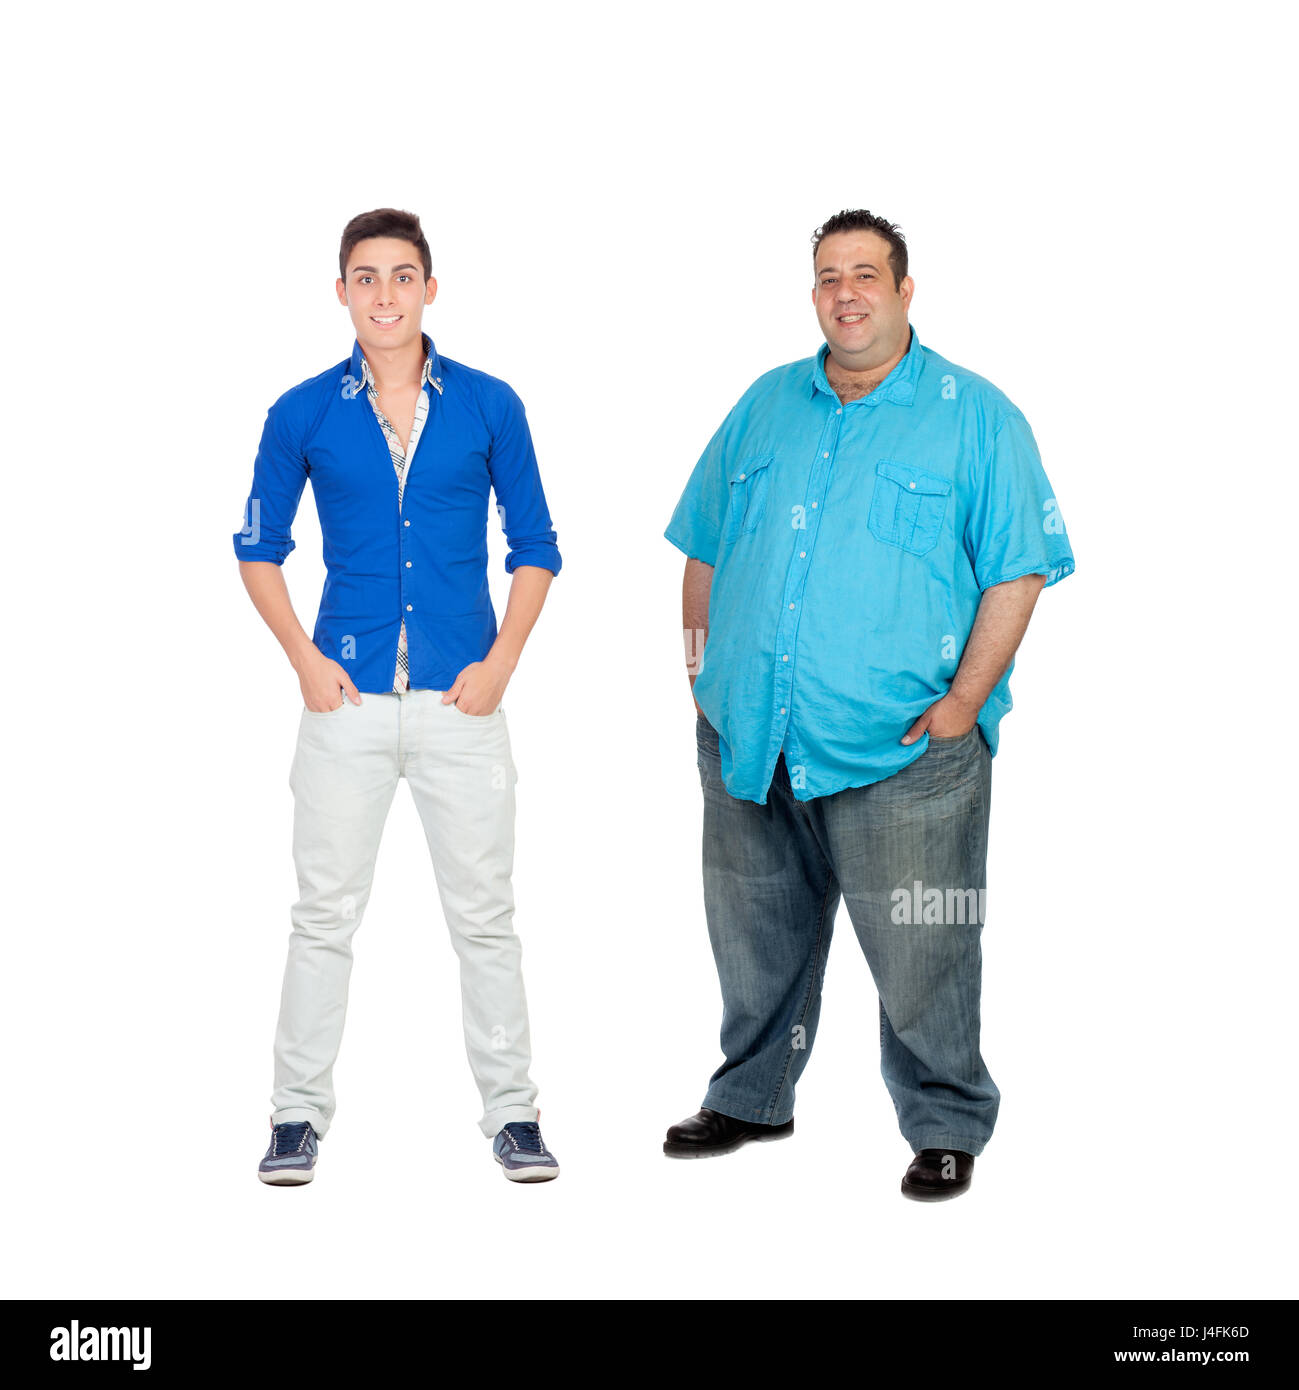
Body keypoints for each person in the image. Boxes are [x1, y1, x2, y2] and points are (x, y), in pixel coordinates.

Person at [662, 208, 1076, 1200]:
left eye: (864, 274)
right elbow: (703, 544)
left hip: (904, 749)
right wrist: (703, 675)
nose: (844, 293)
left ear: (903, 290)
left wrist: (963, 702)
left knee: (922, 942)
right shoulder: (766, 404)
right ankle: (753, 1094)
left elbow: (1018, 572)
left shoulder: (976, 416)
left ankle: (945, 1120)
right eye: (826, 277)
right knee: (754, 929)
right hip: (752, 738)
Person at [234, 207, 562, 1185]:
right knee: (324, 915)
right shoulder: (301, 411)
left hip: (464, 702)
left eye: (402, 275)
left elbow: (537, 546)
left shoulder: (491, 403)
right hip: (346, 702)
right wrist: (303, 659)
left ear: (430, 287)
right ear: (342, 292)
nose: (385, 294)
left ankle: (514, 1113)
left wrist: (502, 662)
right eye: (366, 277)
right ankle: (296, 1117)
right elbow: (256, 547)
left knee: (486, 918)